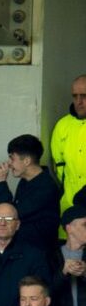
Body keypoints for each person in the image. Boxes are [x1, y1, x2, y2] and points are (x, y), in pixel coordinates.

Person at [52, 75, 86, 213]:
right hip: (69, 206)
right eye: (75, 96)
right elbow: (59, 166)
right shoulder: (62, 126)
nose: (79, 101)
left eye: (84, 96)